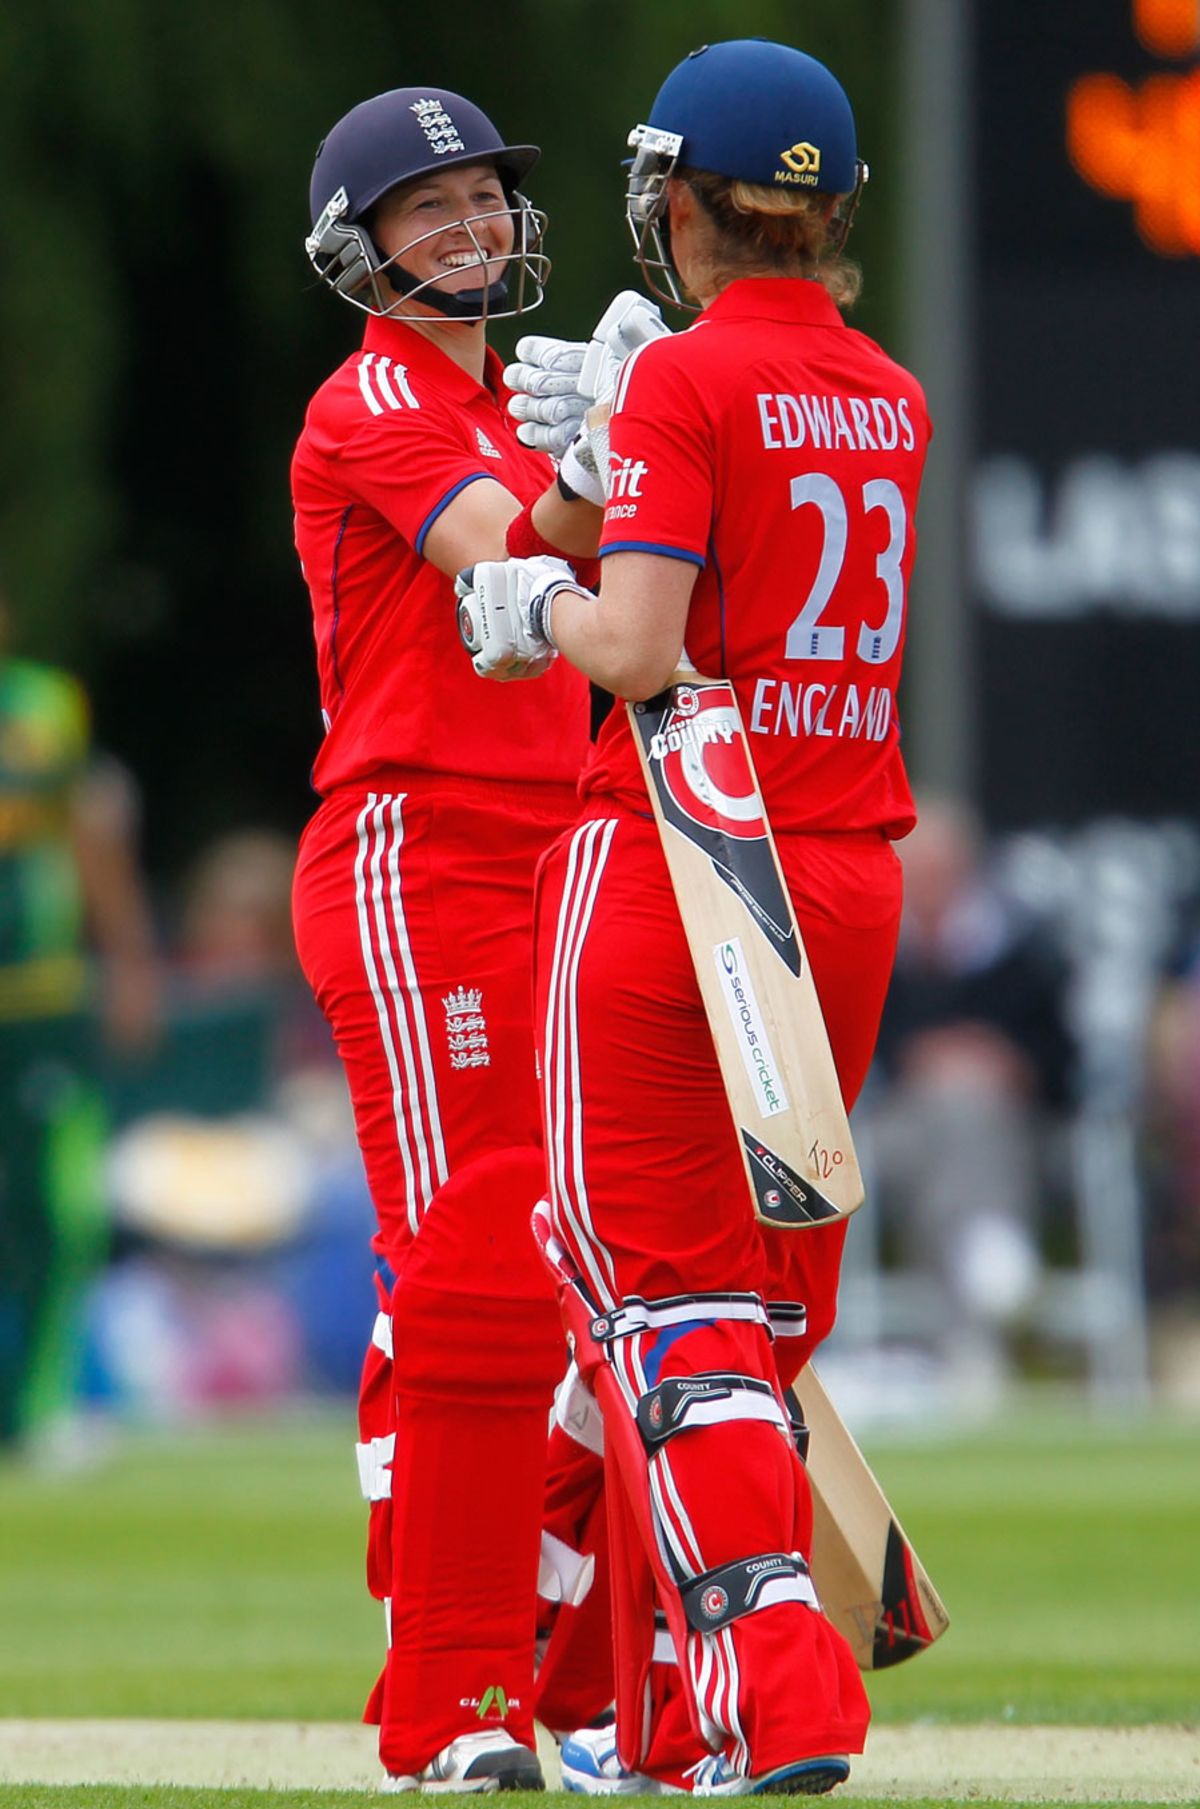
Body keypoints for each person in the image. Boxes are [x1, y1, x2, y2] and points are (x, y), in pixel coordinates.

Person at [458, 39, 931, 1796]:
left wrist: (536, 600)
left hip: (681, 850)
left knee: (660, 1296)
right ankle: (656, 1717)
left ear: (676, 200)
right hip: (847, 868)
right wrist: (597, 472)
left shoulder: (688, 386)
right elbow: (707, 527)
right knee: (757, 1309)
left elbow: (644, 645)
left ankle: (773, 1704)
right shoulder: (890, 389)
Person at [289, 85, 663, 1794]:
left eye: (486, 199)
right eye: (427, 207)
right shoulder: (373, 395)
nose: (471, 228)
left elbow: (630, 621)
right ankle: (451, 1701)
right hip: (415, 842)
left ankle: (566, 1673)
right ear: (358, 246)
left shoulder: (522, 412)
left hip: (567, 848)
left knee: (574, 1265)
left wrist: (636, 450)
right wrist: (607, 465)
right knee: (466, 1262)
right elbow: (504, 557)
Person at [0, 593, 161, 1447]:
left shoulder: (41, 707)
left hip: (38, 995)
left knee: (55, 1211)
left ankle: (42, 1405)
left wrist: (131, 959)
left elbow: (88, 832)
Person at [867, 794, 1075, 1400]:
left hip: (1011, 1132)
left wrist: (1006, 1065)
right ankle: (987, 1264)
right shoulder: (875, 943)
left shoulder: (1023, 952)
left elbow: (1064, 1062)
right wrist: (927, 1062)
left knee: (966, 1112)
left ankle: (958, 1342)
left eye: (945, 872)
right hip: (894, 1130)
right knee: (951, 1107)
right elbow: (851, 1047)